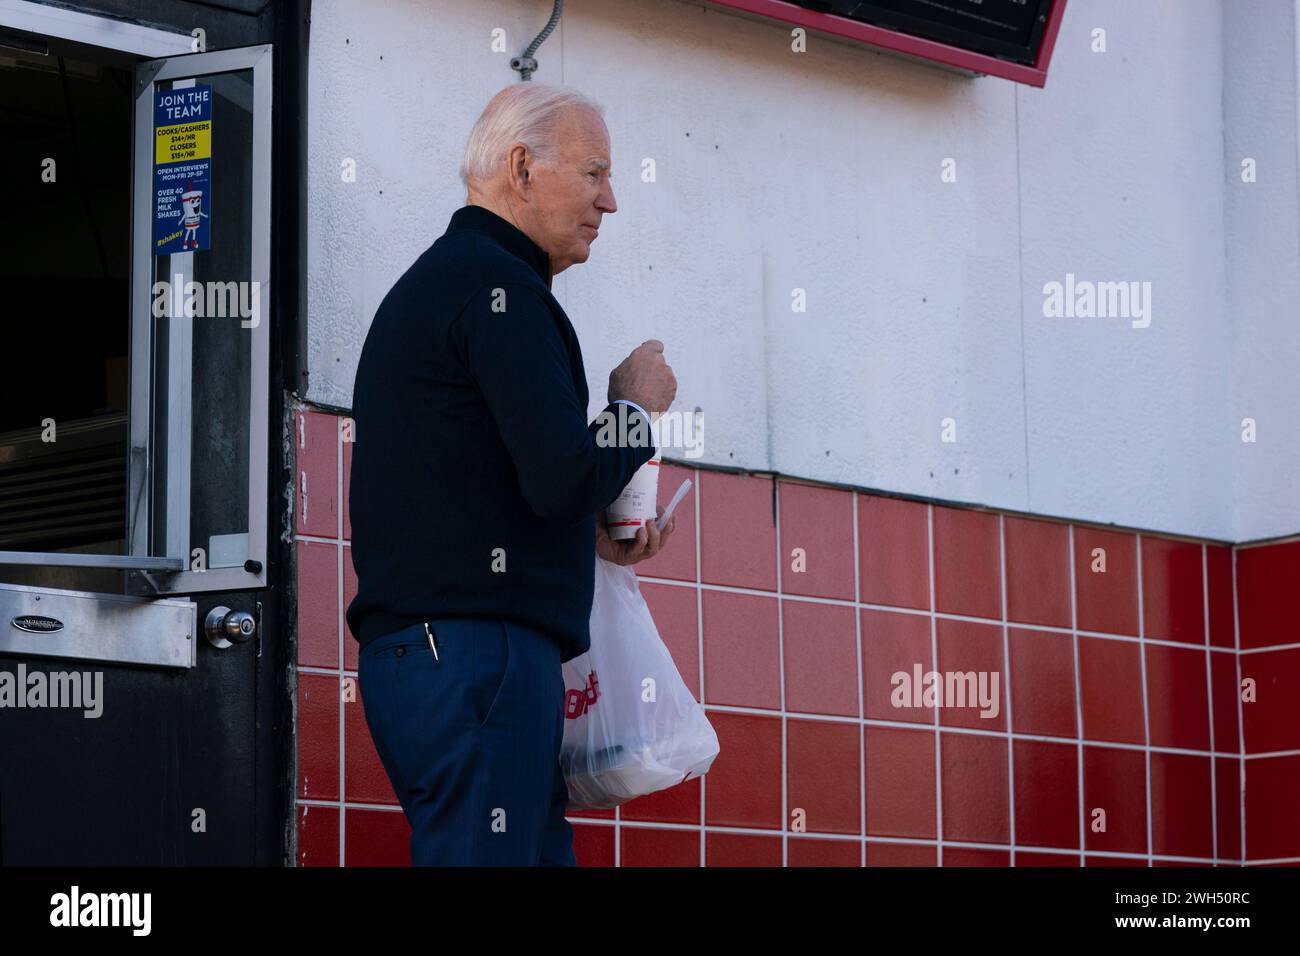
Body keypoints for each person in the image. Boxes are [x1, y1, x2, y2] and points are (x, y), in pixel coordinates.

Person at [347, 82, 678, 866]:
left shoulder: (454, 281)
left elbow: (484, 486)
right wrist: (633, 411)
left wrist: (594, 538)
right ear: (522, 167)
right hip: (476, 658)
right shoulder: (500, 290)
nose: (613, 200)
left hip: (444, 656)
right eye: (595, 172)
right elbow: (561, 479)